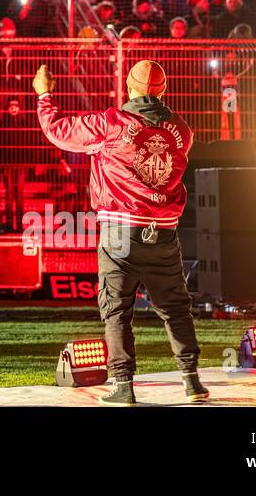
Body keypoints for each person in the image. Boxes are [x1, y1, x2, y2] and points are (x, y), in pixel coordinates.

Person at [33, 60, 207, 406]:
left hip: (119, 229)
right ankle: (192, 381)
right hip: (164, 231)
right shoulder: (182, 130)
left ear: (128, 87)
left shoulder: (111, 123)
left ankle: (123, 386)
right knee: (175, 308)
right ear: (164, 90)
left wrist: (44, 95)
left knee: (116, 309)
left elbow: (59, 132)